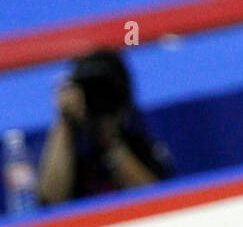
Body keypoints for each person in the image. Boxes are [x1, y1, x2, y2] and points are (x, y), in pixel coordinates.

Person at [37, 49, 173, 204]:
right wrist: (64, 121)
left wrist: (110, 144)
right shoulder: (71, 147)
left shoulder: (139, 141)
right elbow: (50, 201)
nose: (97, 100)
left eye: (103, 92)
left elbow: (156, 202)